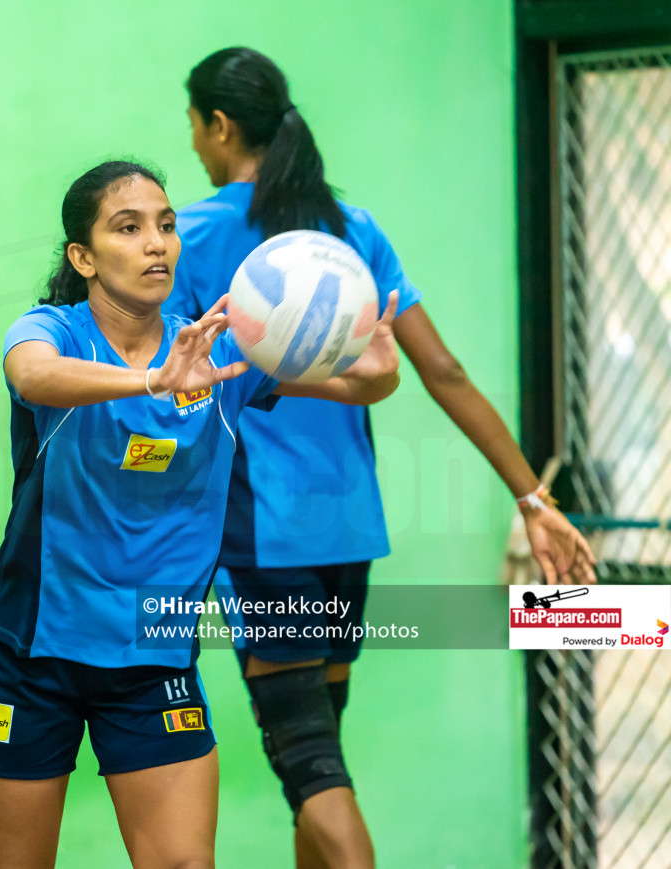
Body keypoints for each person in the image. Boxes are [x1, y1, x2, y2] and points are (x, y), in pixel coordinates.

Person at [165, 47, 597, 869]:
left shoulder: (191, 235)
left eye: (193, 125)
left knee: (311, 768)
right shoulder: (351, 231)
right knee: (320, 757)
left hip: (266, 534)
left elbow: (180, 389)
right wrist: (533, 498)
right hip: (349, 531)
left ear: (219, 126)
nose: (192, 142)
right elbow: (445, 373)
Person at [0, 159, 400, 869]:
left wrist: (375, 357)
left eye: (164, 225)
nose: (155, 242)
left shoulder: (220, 349)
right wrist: (153, 378)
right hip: (32, 653)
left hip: (152, 656)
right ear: (84, 257)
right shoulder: (55, 331)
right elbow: (32, 374)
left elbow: (363, 384)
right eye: (127, 228)